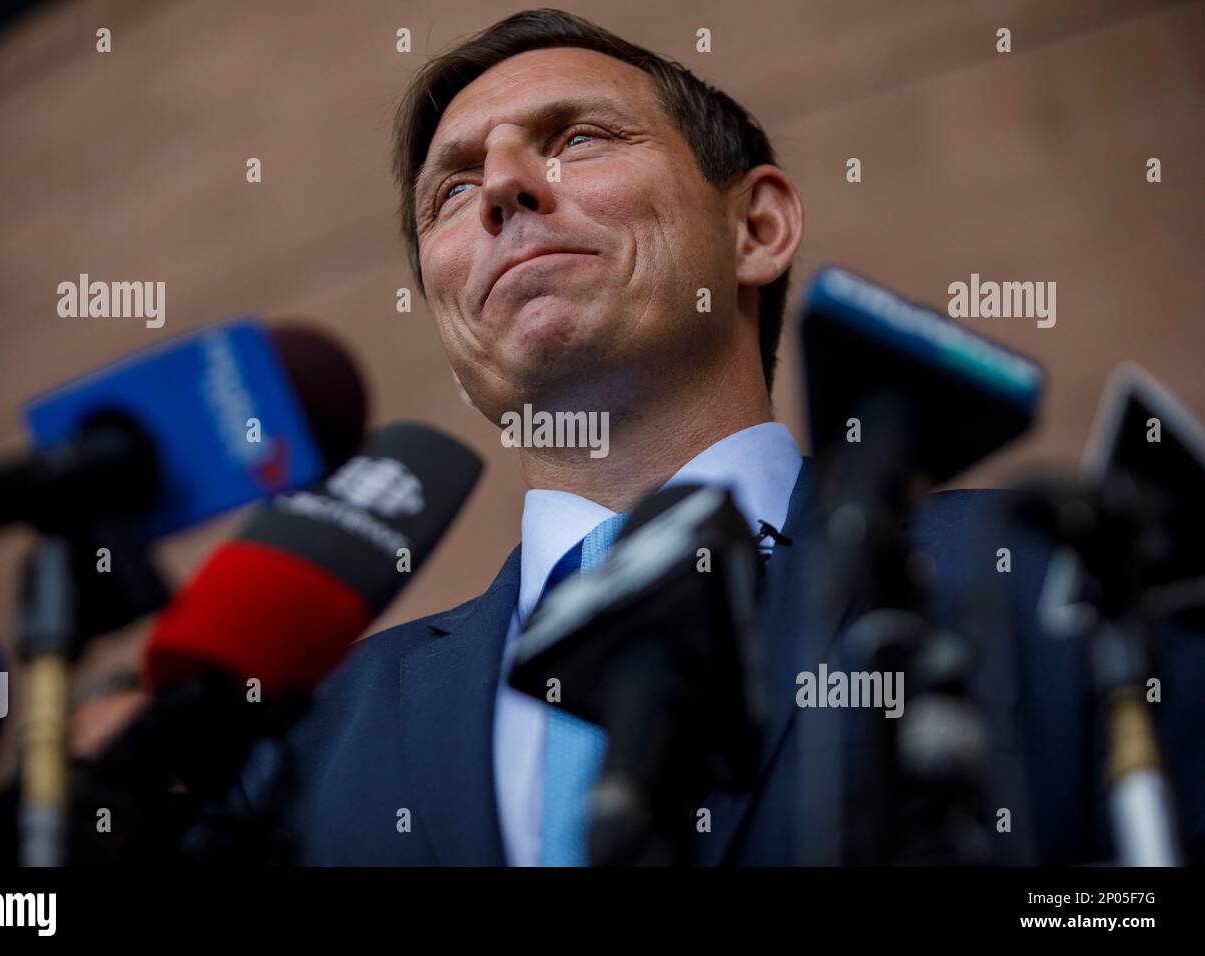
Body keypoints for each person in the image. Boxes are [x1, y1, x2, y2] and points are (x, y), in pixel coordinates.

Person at [218, 9, 1204, 866]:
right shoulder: (304, 746)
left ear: (759, 228)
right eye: (450, 190)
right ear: (448, 318)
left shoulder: (1061, 578)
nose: (502, 190)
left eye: (578, 138)